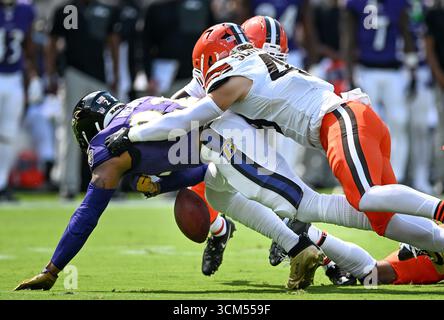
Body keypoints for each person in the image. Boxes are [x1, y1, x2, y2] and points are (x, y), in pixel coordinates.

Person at [106, 23, 444, 258]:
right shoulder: (255, 63)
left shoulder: (234, 79)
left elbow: (186, 117)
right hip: (353, 119)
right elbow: (185, 99)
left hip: (340, 120)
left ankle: (441, 210)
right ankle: (440, 244)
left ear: (210, 60)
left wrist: (132, 133)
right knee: (382, 219)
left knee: (368, 197)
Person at [15, 91, 382, 291]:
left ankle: (408, 223)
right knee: (224, 197)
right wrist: (162, 183)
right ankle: (301, 248)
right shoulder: (142, 105)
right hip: (233, 137)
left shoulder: (107, 148)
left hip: (231, 144)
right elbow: (201, 164)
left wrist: (53, 268)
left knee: (307, 205)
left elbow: (88, 213)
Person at [47, 0, 120, 199]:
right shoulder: (66, 10)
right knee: (69, 129)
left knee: (107, 132)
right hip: (73, 73)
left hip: (99, 76)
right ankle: (68, 184)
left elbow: (113, 42)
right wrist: (51, 74)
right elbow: (53, 42)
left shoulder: (107, 10)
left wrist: (115, 73)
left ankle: (108, 182)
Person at [343, 0, 415, 184]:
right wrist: (349, 73)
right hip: (366, 70)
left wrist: (412, 69)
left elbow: (406, 33)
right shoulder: (356, 4)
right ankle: (367, 176)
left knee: (399, 122)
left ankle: (396, 177)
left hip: (394, 71)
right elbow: (349, 37)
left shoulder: (398, 3)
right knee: (364, 125)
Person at [0, 0, 39, 201]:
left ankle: (2, 183)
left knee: (8, 134)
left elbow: (28, 47)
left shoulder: (25, 10)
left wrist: (32, 77)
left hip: (14, 78)